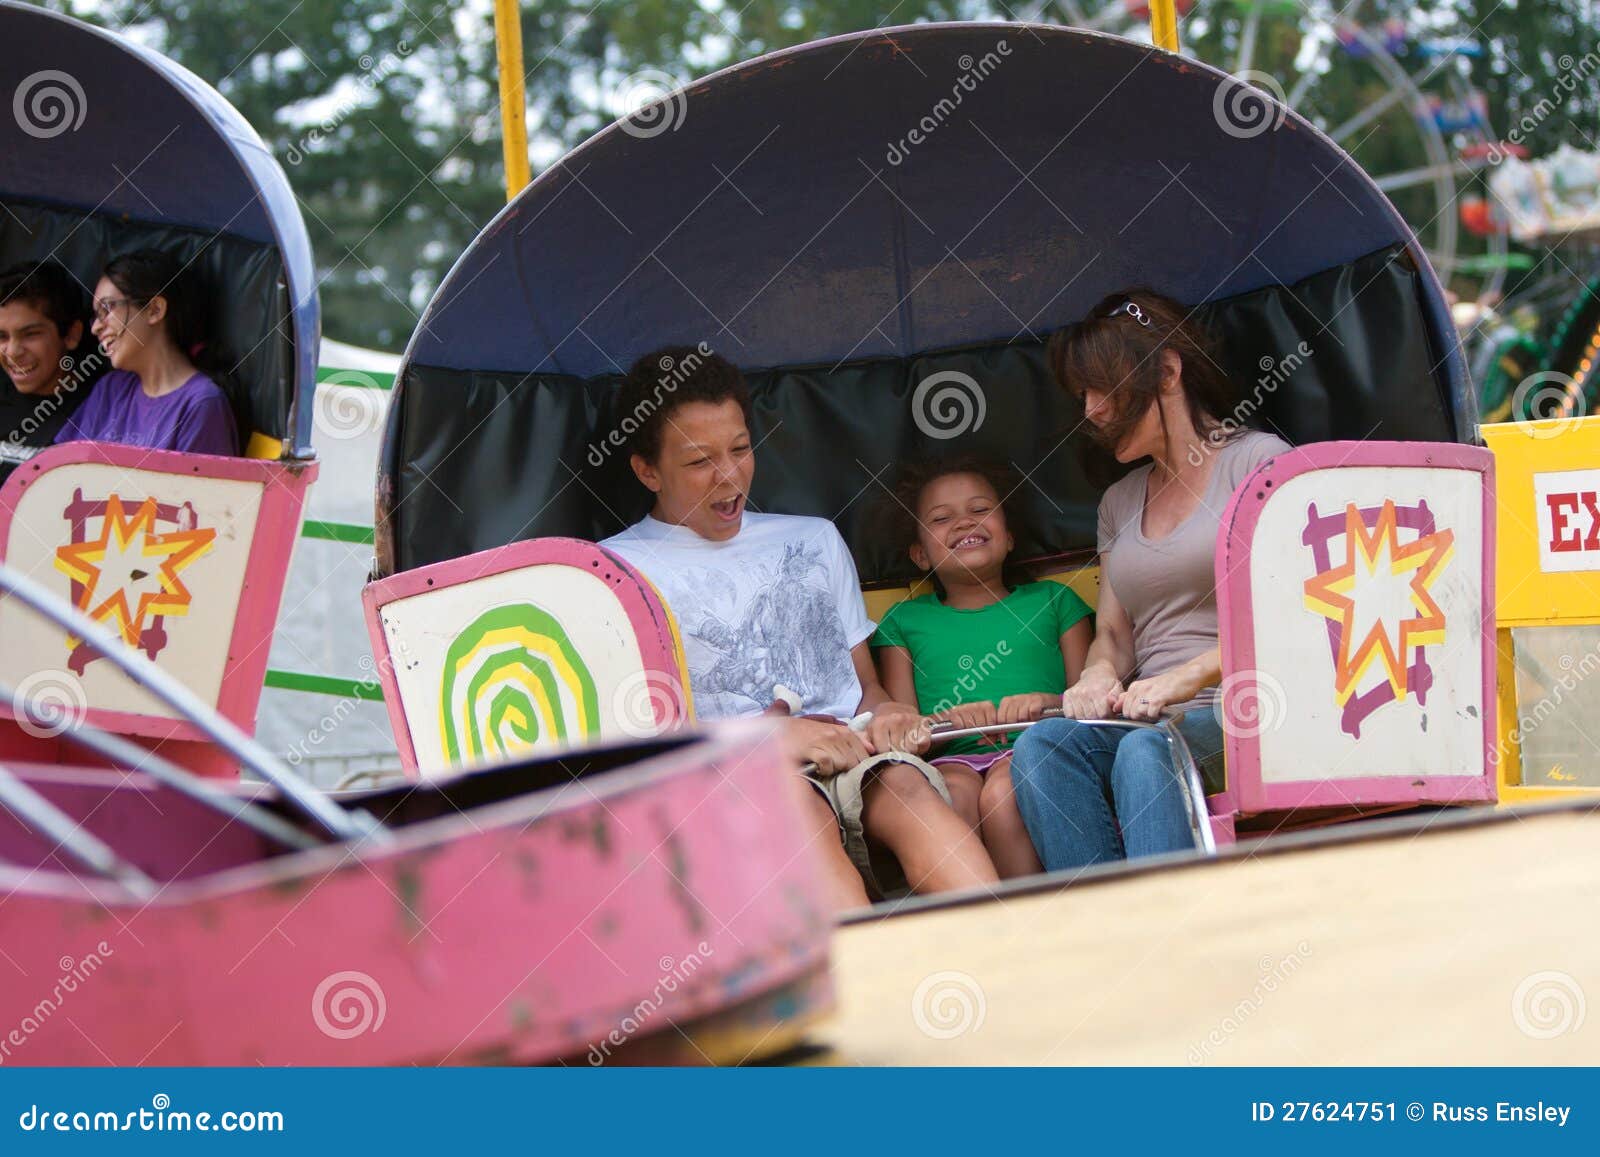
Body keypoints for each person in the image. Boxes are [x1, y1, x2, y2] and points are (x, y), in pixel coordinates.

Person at [600, 346, 999, 911]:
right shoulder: (613, 574)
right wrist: (766, 740)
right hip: (736, 774)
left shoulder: (813, 539)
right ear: (646, 470)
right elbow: (626, 738)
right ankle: (867, 983)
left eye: (740, 449)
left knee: (909, 793)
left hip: (854, 752)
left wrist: (889, 715)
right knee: (791, 806)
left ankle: (1005, 944)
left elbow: (867, 688)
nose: (729, 475)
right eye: (698, 462)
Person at [1010, 290, 1291, 870]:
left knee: (1145, 750)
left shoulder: (1258, 463)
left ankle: (1166, 936)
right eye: (1082, 394)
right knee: (1043, 746)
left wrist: (1187, 677)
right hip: (1155, 716)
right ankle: (1109, 933)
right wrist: (1096, 674)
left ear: (1166, 372)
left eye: (1105, 389)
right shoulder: (1118, 501)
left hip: (1252, 707)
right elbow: (1112, 633)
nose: (1090, 411)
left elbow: (1295, 614)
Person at [871, 456, 1092, 877]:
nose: (963, 523)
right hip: (951, 759)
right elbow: (906, 726)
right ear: (919, 554)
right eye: (941, 518)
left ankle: (1024, 923)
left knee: (1006, 793)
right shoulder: (902, 621)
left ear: (1008, 537)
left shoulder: (1055, 602)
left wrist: (1046, 703)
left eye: (979, 510)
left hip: (1038, 750)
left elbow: (1087, 704)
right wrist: (943, 722)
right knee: (950, 798)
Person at [55, 250, 237, 456]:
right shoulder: (110, 389)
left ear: (155, 310)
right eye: (95, 316)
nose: (95, 327)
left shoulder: (201, 403)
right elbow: (66, 469)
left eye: (107, 308)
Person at [0, 261, 101, 460]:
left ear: (72, 334)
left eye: (31, 335)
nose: (12, 351)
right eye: (2, 337)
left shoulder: (104, 407)